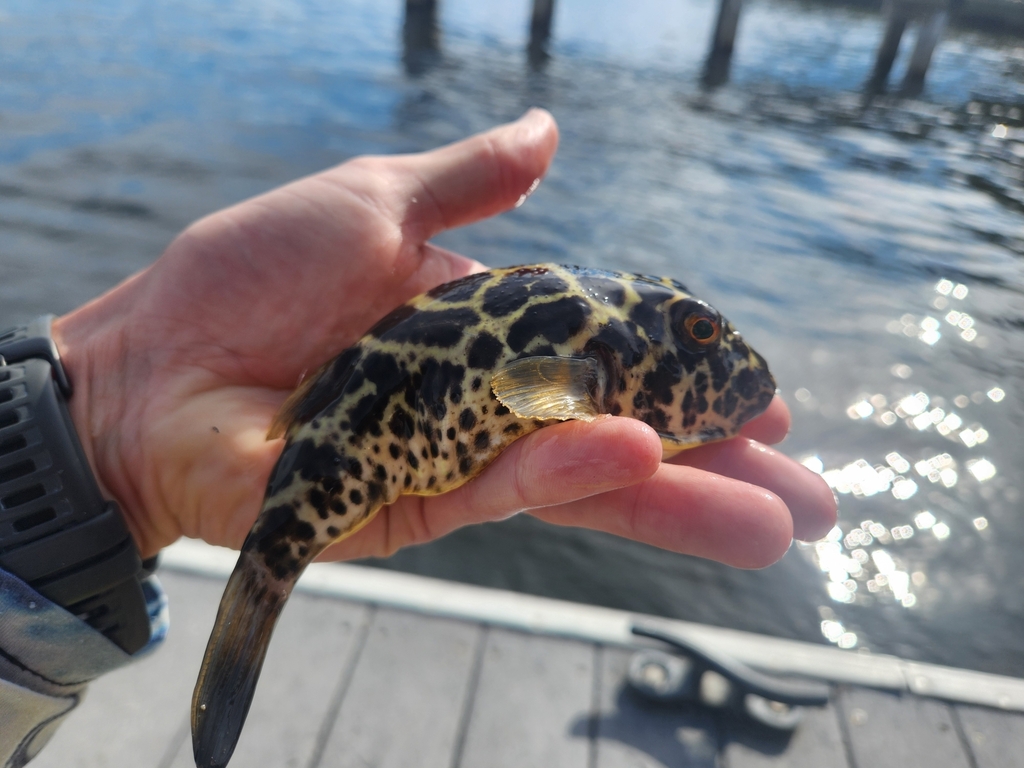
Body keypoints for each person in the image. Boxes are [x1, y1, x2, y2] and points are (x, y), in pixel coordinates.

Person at [1, 109, 836, 766]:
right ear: (629, 352)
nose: (713, 352)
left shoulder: (596, 366)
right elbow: (521, 390)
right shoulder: (585, 368)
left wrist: (96, 425)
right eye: (694, 333)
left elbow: (520, 391)